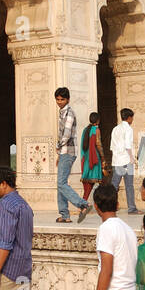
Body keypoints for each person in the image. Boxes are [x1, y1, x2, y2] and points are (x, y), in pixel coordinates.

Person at [86, 181, 138, 290]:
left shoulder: (106, 229)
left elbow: (107, 270)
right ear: (117, 204)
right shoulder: (128, 229)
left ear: (96, 206)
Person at [53, 87, 94, 223]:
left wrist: (58, 146)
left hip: (68, 150)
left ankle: (83, 204)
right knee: (61, 183)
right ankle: (65, 215)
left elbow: (67, 133)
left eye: (62, 99)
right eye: (57, 99)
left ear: (68, 99)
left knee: (61, 183)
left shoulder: (69, 113)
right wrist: (59, 153)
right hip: (64, 152)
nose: (59, 102)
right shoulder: (62, 112)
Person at [109, 108, 140, 214]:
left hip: (116, 160)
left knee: (114, 186)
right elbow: (128, 145)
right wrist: (132, 158)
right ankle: (132, 208)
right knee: (129, 185)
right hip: (126, 160)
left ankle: (110, 207)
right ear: (129, 118)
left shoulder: (115, 129)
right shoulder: (128, 129)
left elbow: (112, 146)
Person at [80, 111, 102, 200]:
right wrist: (103, 158)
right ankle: (83, 203)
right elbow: (99, 145)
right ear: (98, 121)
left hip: (85, 159)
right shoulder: (96, 130)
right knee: (93, 182)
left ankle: (84, 202)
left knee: (87, 182)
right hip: (94, 159)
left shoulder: (85, 130)